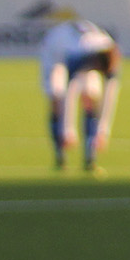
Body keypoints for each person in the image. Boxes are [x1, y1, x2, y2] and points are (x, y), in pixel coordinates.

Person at [37, 19, 122, 173]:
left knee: (90, 98)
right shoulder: (77, 56)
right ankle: (60, 158)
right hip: (54, 49)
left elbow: (110, 94)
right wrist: (68, 130)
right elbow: (69, 91)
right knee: (56, 98)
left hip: (79, 45)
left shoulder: (110, 54)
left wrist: (103, 132)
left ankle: (90, 159)